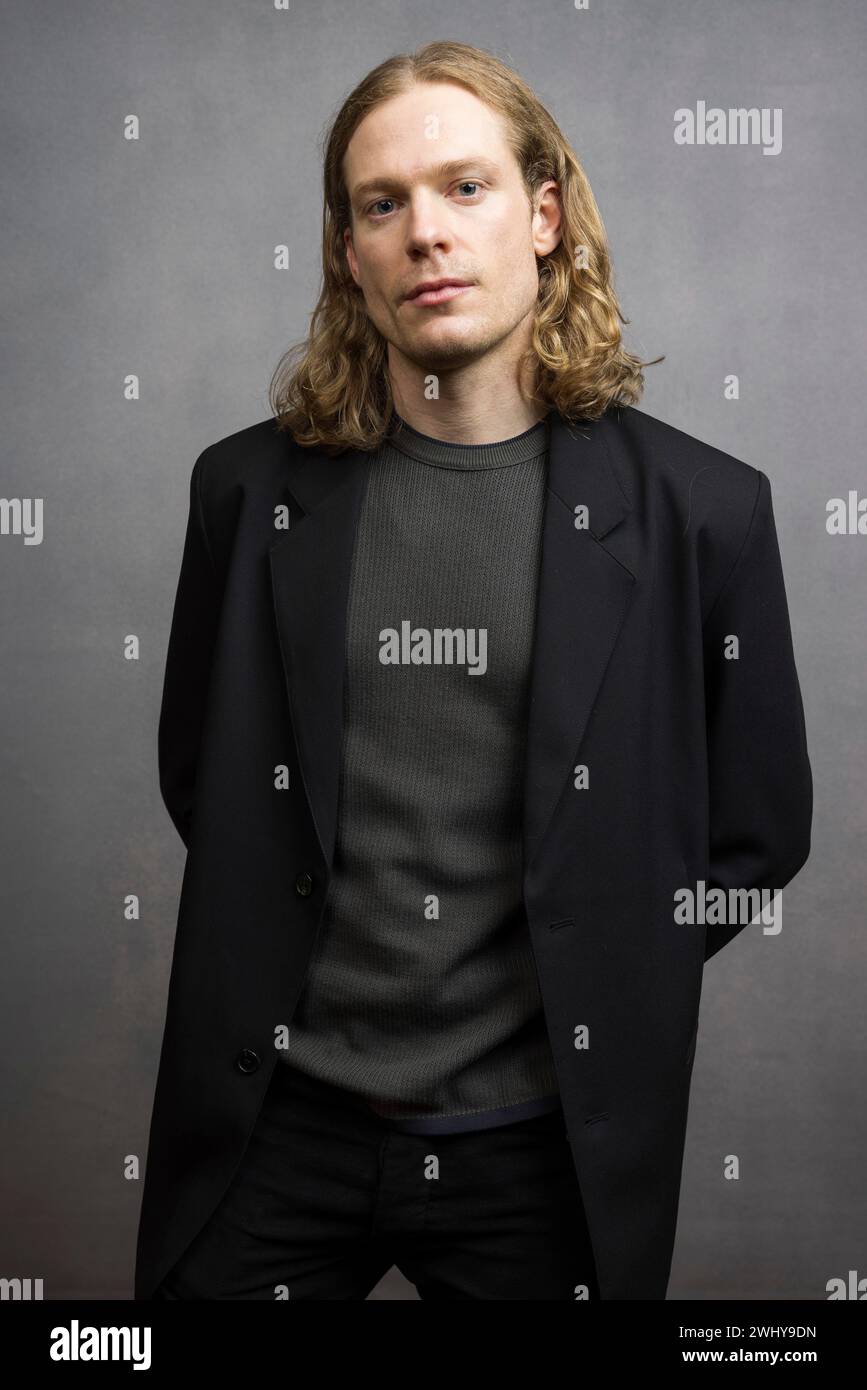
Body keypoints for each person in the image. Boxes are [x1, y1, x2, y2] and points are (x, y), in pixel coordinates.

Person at [135, 40, 812, 1301]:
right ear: (347, 251)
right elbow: (207, 779)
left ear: (545, 215)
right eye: (381, 205)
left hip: (540, 1150)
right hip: (273, 1125)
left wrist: (592, 966)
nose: (423, 235)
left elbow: (756, 837)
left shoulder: (705, 510)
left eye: (465, 189)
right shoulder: (245, 492)